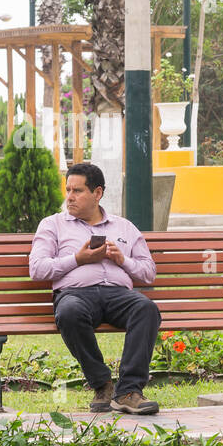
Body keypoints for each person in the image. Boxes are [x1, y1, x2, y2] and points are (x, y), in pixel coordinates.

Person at [29, 162, 162, 415]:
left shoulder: (124, 227)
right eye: (68, 190)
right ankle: (102, 384)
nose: (69, 197)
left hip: (118, 294)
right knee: (68, 312)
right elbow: (37, 269)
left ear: (97, 193)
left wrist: (123, 260)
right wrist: (78, 259)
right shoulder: (53, 225)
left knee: (146, 309)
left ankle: (129, 392)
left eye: (77, 191)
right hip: (75, 295)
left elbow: (149, 272)